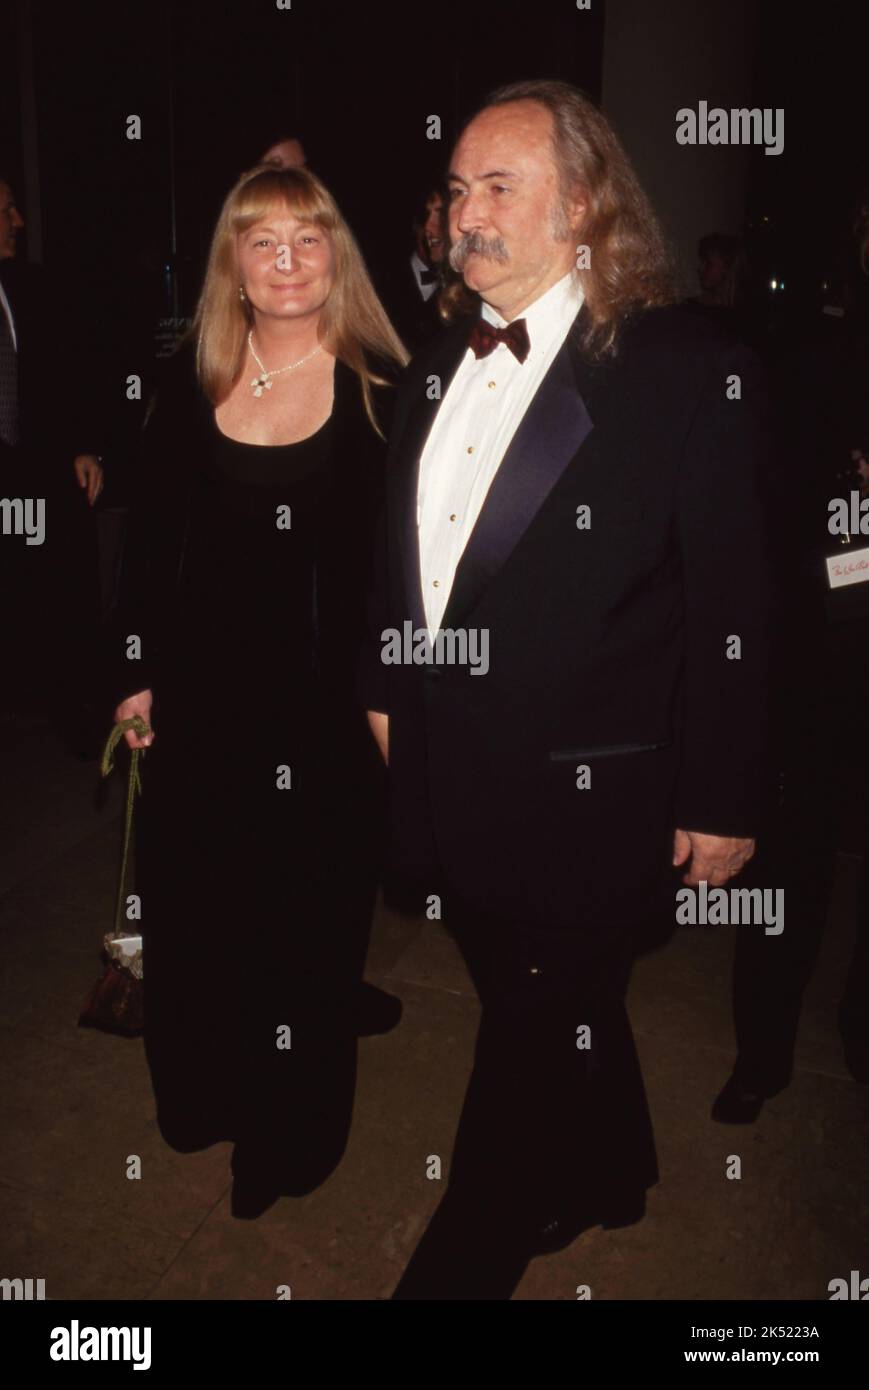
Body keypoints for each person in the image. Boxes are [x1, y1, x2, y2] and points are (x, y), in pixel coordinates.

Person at [361, 79, 774, 1299]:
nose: (463, 213)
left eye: (498, 186)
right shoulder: (438, 364)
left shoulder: (688, 364)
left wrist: (725, 789)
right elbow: (405, 558)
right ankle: (613, 1172)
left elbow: (740, 605)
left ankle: (461, 1267)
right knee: (548, 1005)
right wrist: (387, 689)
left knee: (525, 1045)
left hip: (596, 799)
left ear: (583, 202)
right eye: (455, 189)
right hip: (446, 780)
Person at [110, 164, 407, 1219]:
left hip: (328, 727)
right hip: (202, 713)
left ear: (337, 257)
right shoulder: (187, 383)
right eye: (261, 241)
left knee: (307, 938)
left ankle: (286, 1138)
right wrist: (134, 676)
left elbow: (414, 570)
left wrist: (398, 703)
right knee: (200, 925)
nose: (286, 261)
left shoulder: (385, 388)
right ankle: (206, 1100)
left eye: (308, 239)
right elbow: (144, 549)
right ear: (230, 263)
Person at [0, 172, 104, 742]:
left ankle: (74, 710)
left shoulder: (33, 288)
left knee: (58, 569)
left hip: (29, 468)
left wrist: (82, 446)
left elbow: (68, 377)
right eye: (9, 209)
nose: (19, 221)